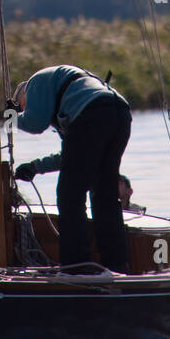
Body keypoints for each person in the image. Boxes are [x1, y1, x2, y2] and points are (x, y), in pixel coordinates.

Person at [12, 66, 131, 272]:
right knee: (105, 195)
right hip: (119, 113)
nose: (23, 111)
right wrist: (35, 167)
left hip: (95, 113)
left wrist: (10, 117)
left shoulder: (34, 83)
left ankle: (76, 266)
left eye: (21, 108)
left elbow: (34, 123)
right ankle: (117, 263)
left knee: (70, 195)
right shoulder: (70, 99)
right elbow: (71, 155)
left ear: (23, 97)